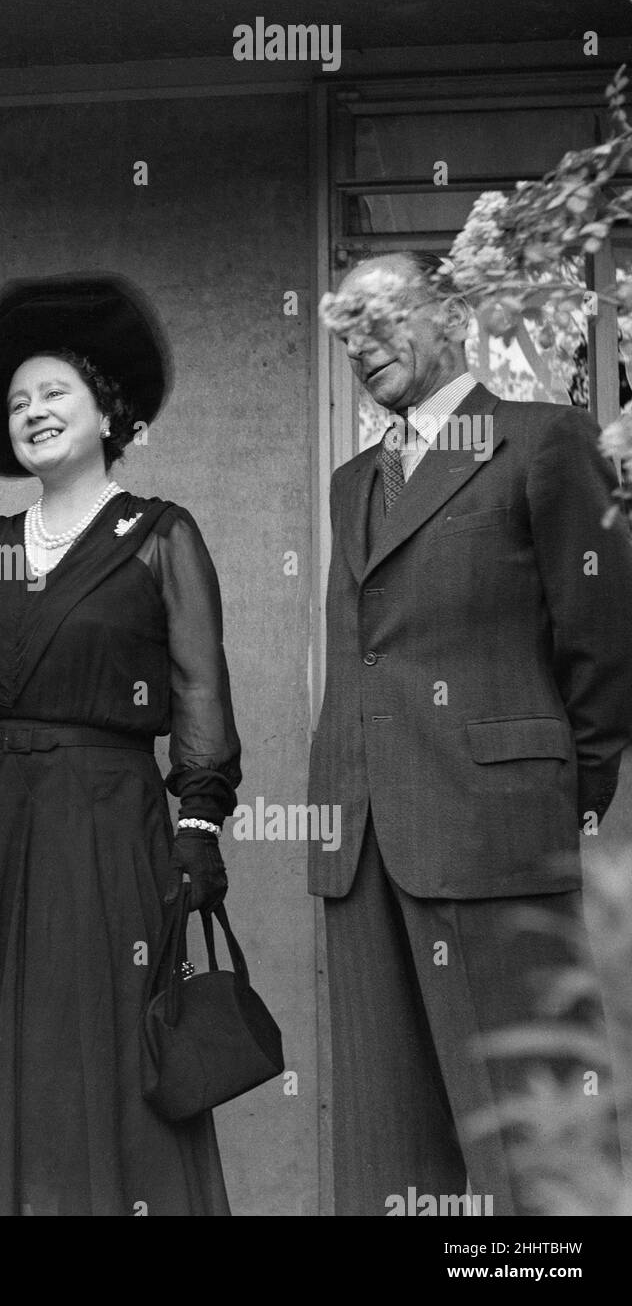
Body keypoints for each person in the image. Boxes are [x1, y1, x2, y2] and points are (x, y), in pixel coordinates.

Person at [0, 274, 243, 1216]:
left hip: (110, 825)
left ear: (107, 414)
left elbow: (199, 685)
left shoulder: (158, 535)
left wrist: (198, 820)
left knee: (101, 1039)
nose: (33, 411)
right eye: (17, 401)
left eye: (55, 394)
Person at [309, 251, 632, 1215]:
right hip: (358, 840)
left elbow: (605, 635)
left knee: (526, 1139)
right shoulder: (350, 480)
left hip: (496, 831)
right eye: (346, 331)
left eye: (384, 317)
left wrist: (561, 792)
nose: (363, 346)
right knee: (385, 1154)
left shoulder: (542, 438)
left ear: (447, 314)